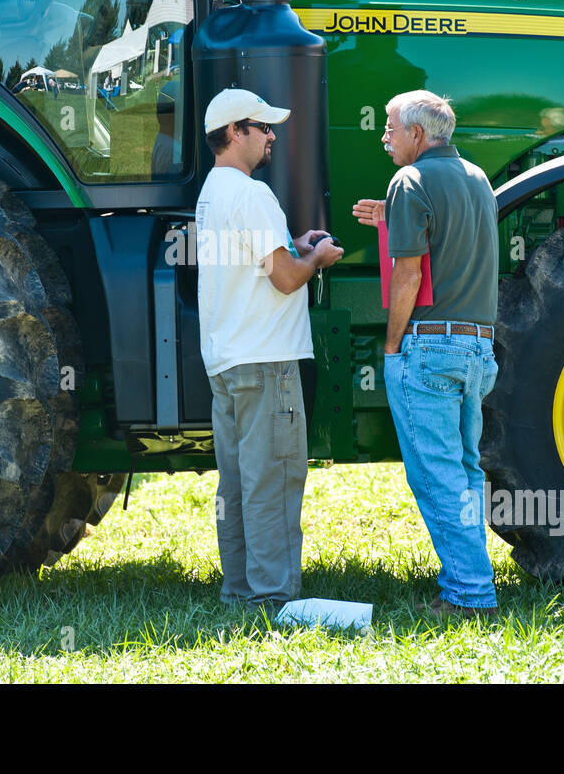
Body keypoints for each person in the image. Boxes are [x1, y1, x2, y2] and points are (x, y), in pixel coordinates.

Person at [352, 90, 500, 619]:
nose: (384, 136)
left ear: (418, 134)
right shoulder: (478, 178)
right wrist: (391, 217)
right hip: (477, 348)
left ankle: (470, 594)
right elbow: (450, 243)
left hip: (429, 347)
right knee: (464, 470)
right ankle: (473, 579)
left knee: (435, 474)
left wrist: (392, 346)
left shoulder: (409, 181)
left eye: (391, 127)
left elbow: (411, 272)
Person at [197, 87, 344, 612]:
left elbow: (256, 263)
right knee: (275, 481)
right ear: (235, 132)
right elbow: (284, 280)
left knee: (237, 486)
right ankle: (272, 599)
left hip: (228, 359)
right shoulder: (253, 195)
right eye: (261, 127)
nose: (271, 136)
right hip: (267, 361)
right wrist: (318, 258)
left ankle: (240, 593)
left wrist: (295, 245)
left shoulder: (212, 191)